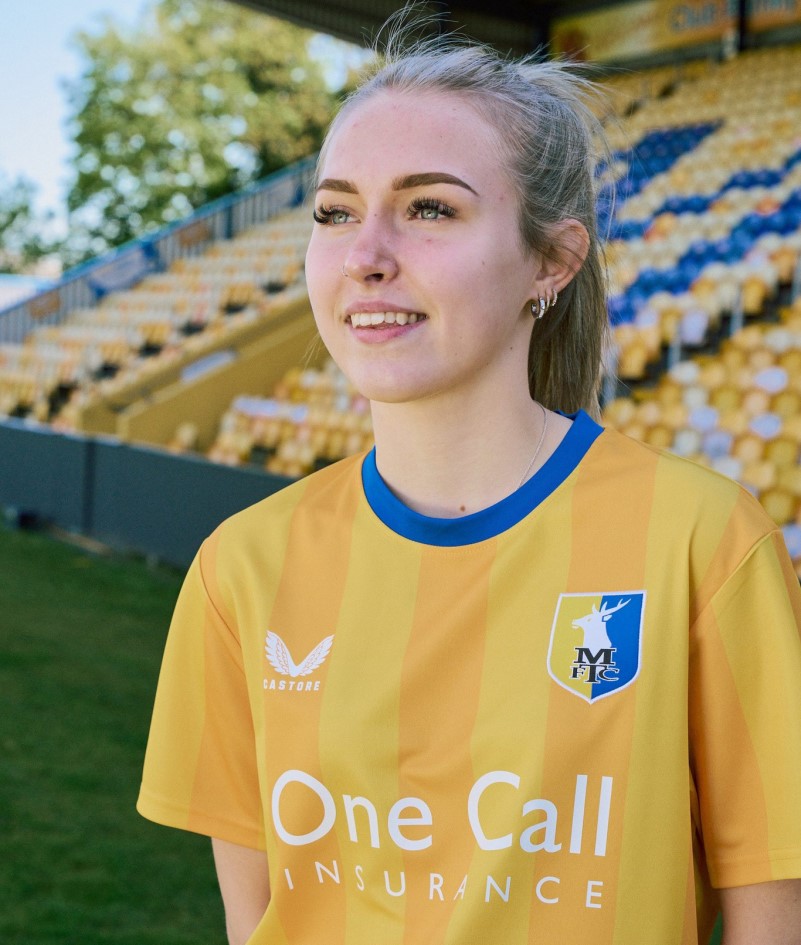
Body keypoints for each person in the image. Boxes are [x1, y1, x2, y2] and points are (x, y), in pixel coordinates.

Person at [137, 17, 801, 945]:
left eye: (429, 208)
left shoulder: (703, 542)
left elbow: (775, 917)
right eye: (335, 211)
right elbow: (259, 921)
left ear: (551, 260)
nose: (366, 251)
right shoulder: (240, 569)